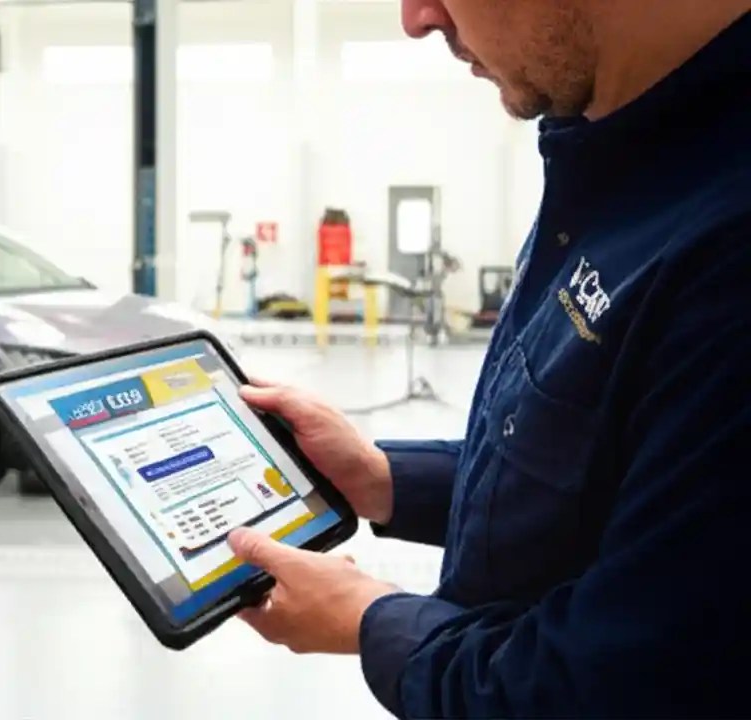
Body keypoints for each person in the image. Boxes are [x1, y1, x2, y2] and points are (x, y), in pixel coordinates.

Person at [225, 1, 751, 717]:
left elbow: (608, 688)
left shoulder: (726, 238)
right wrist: (384, 480)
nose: (416, 18)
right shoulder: (611, 143)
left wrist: (368, 617)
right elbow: (607, 481)